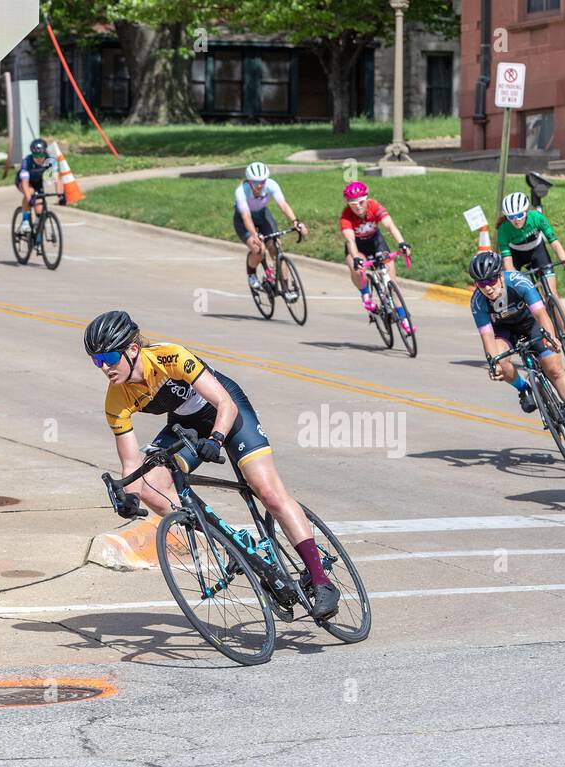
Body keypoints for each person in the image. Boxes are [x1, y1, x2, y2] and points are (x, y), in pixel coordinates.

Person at [84, 310, 340, 620]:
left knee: (268, 492)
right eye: (97, 361)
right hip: (187, 424)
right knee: (151, 486)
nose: (105, 367)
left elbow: (224, 404)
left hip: (227, 412)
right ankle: (231, 543)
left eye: (110, 357)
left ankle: (321, 580)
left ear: (133, 349)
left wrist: (216, 440)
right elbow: (130, 465)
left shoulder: (169, 357)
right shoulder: (116, 400)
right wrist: (131, 498)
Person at [468, 251, 565, 444]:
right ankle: (523, 388)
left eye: (491, 280)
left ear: (500, 275)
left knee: (554, 369)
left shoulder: (518, 282)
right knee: (500, 363)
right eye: (481, 283)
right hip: (504, 332)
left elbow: (541, 315)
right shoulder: (477, 301)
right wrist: (494, 364)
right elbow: (487, 337)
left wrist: (551, 337)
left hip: (531, 323)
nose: (488, 288)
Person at [339, 181, 412, 329]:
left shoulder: (374, 206)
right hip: (357, 246)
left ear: (367, 199)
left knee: (391, 283)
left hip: (375, 242)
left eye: (360, 202)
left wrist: (401, 243)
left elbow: (390, 225)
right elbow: (349, 239)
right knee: (357, 267)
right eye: (353, 204)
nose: (358, 206)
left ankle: (403, 318)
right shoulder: (346, 216)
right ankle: (365, 293)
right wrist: (356, 258)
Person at [496, 191, 565, 322]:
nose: (516, 220)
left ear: (526, 212)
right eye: (511, 217)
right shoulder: (503, 229)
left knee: (552, 293)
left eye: (520, 215)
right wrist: (515, 277)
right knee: (522, 294)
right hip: (516, 256)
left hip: (538, 252)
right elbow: (508, 262)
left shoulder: (537, 217)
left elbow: (554, 242)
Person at [233, 161, 306, 295]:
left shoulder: (271, 185)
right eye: (255, 182)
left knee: (275, 248)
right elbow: (246, 217)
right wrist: (254, 234)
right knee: (258, 250)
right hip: (244, 220)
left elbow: (283, 204)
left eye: (262, 181)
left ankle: (285, 288)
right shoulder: (241, 192)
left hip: (262, 215)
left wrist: (295, 222)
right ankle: (251, 273)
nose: (260, 185)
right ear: (249, 181)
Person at [15, 138, 59, 235]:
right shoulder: (26, 162)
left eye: (41, 155)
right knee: (30, 193)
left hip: (37, 181)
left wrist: (60, 195)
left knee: (39, 209)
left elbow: (56, 178)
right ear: (32, 154)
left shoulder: (49, 160)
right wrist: (29, 199)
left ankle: (38, 237)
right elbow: (25, 184)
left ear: (45, 153)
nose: (39, 158)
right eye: (36, 155)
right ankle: (25, 221)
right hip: (24, 182)